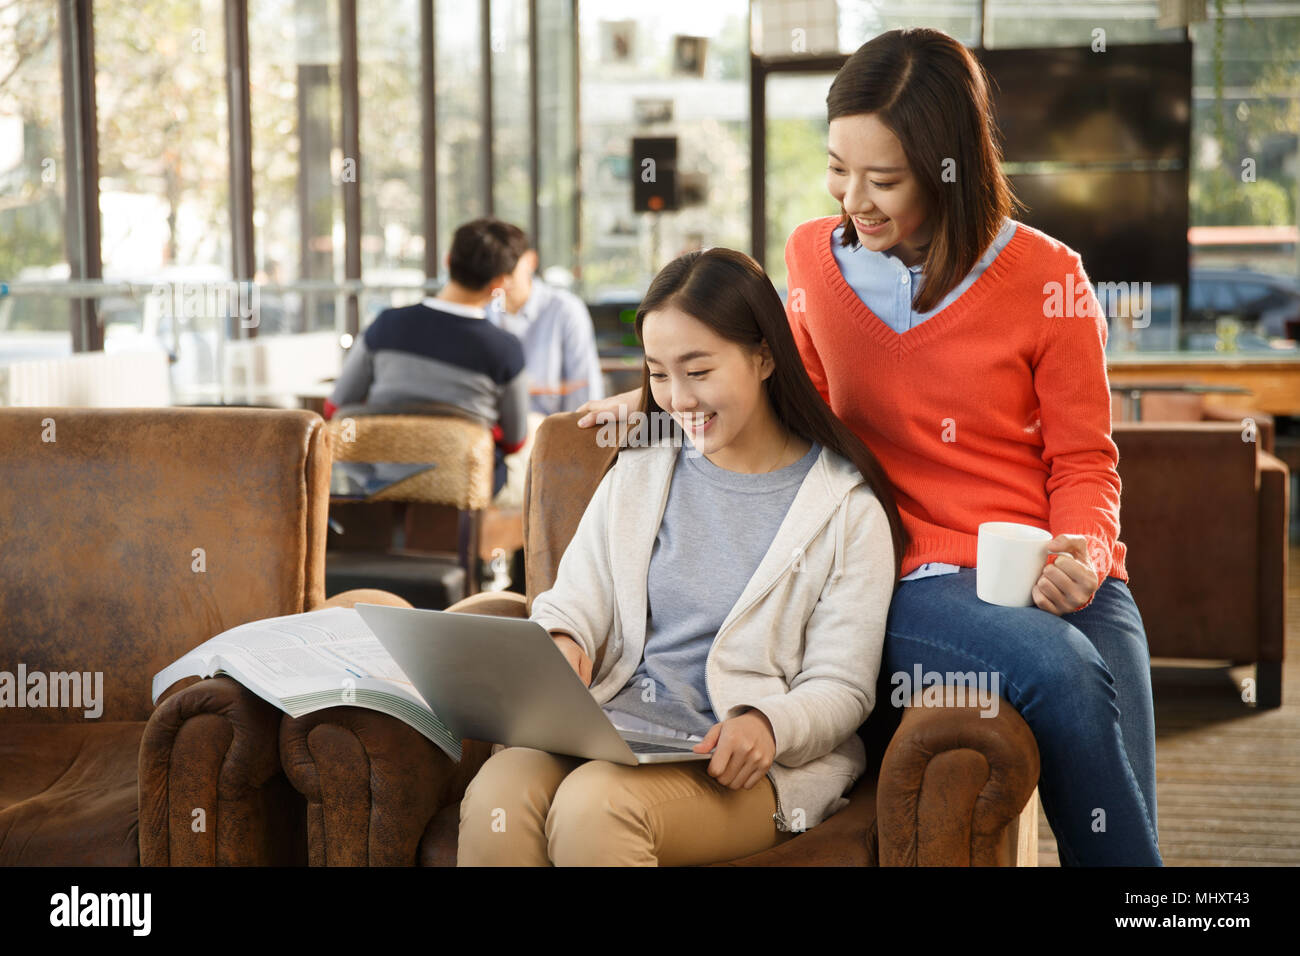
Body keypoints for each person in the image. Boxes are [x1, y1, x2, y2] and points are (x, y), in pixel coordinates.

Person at [575, 27, 1163, 866]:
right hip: (912, 564)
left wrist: (1084, 550)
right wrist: (656, 406)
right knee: (1063, 671)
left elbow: (1083, 461)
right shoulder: (813, 259)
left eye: (883, 178)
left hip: (1047, 556)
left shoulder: (1050, 278)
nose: (855, 199)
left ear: (949, 164)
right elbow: (787, 402)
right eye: (837, 169)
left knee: (1110, 675)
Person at [457, 247, 907, 866]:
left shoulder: (845, 508)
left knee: (597, 805)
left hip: (743, 765)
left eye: (698, 371)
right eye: (658, 374)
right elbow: (575, 600)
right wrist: (564, 642)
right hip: (616, 730)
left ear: (765, 356)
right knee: (497, 792)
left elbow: (843, 685)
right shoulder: (640, 473)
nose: (676, 398)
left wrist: (768, 725)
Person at [324, 217, 532, 499]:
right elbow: (515, 441)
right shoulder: (505, 349)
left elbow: (335, 406)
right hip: (462, 491)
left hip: (373, 483)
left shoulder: (386, 324)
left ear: (447, 261)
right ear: (500, 283)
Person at [484, 238, 606, 417]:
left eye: (509, 268)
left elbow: (584, 384)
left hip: (553, 430)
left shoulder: (565, 308)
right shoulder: (484, 311)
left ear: (531, 261)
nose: (503, 279)